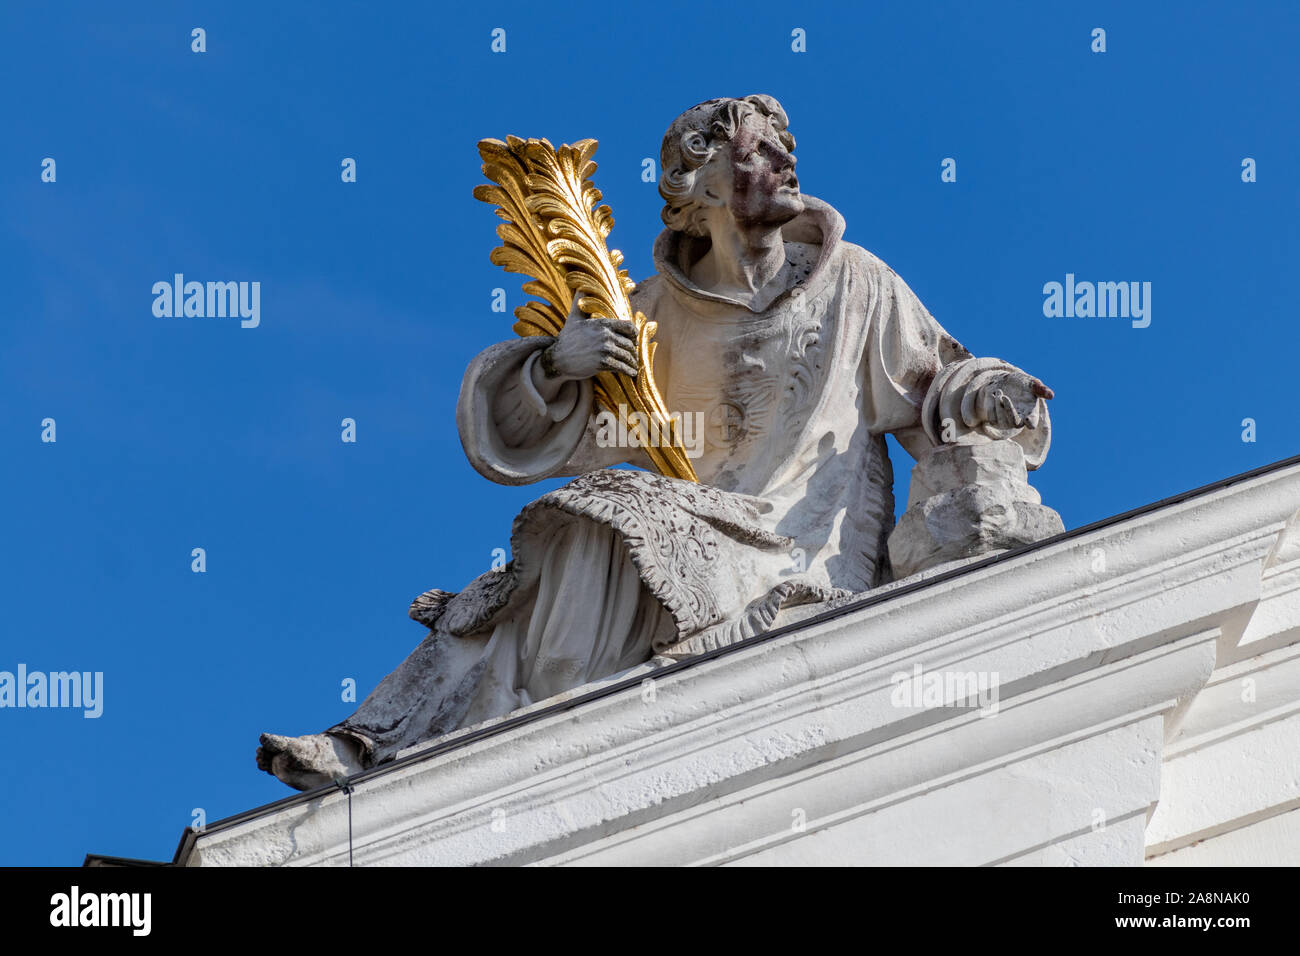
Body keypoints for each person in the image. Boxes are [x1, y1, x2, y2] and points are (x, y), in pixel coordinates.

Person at [258, 94, 1052, 790]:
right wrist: (553, 369)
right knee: (574, 530)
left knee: (613, 515)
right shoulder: (645, 321)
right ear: (696, 189)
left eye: (787, 148)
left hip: (804, 550)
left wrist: (985, 388)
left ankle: (541, 744)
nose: (785, 161)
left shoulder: (856, 283)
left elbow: (942, 387)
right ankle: (390, 748)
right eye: (758, 152)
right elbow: (521, 437)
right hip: (687, 537)